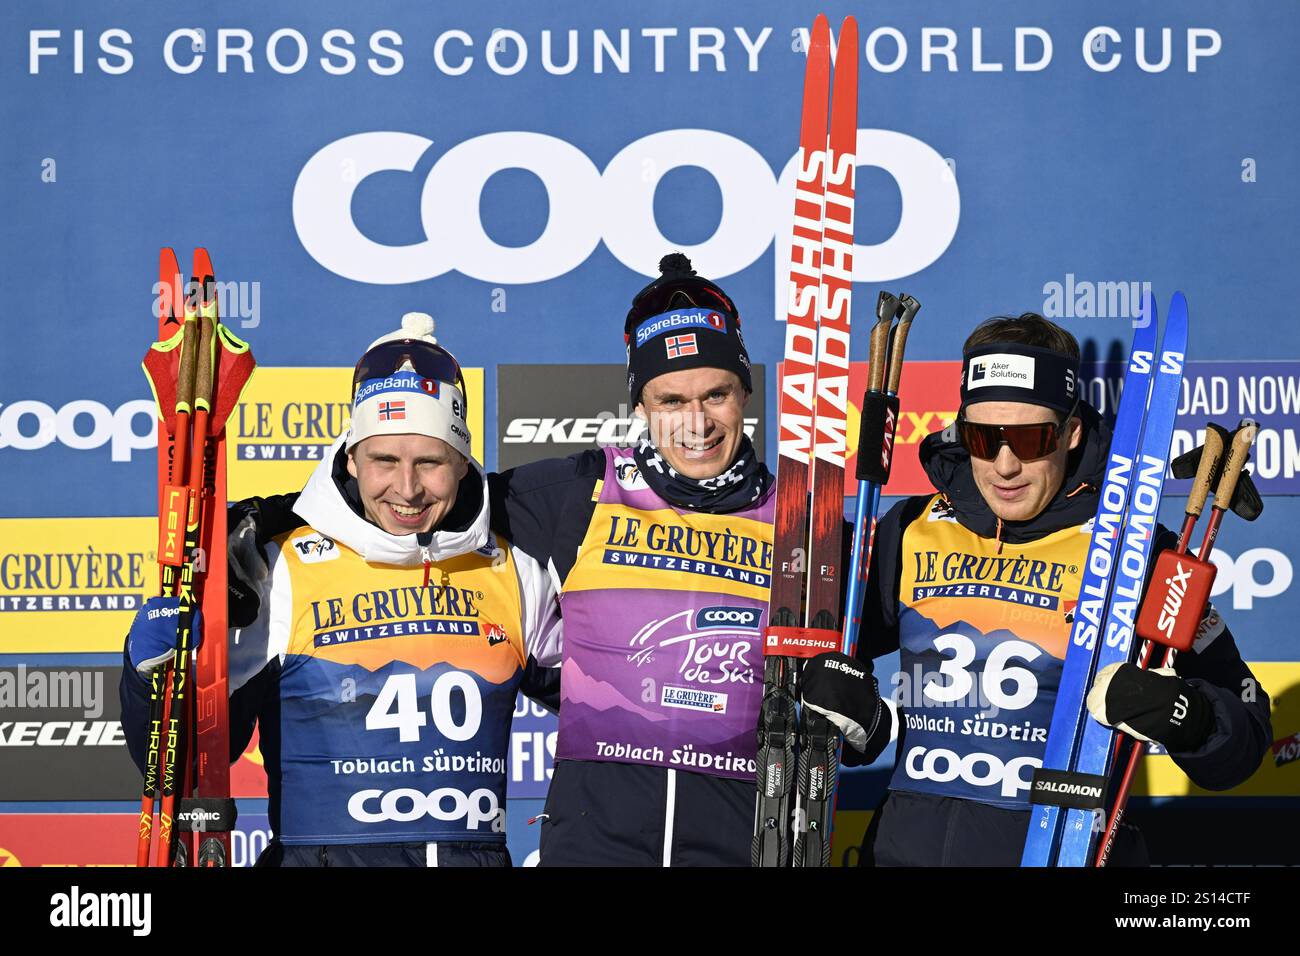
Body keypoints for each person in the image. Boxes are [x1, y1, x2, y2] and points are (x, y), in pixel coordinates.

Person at [121, 313, 561, 867]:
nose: (407, 488)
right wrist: (151, 679)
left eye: (431, 462)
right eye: (384, 460)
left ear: (464, 464)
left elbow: (605, 710)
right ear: (351, 458)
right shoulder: (274, 563)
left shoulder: (514, 563)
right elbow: (186, 763)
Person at [487, 254, 881, 866]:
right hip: (595, 848)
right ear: (640, 405)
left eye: (716, 394)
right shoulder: (579, 494)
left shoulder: (807, 529)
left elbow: (891, 643)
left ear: (745, 392)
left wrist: (873, 723)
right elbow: (422, 497)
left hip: (744, 844)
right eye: (670, 400)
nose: (696, 423)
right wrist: (283, 513)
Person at [850, 312, 1272, 866]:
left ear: (1070, 432)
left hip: (1063, 852)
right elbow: (822, 662)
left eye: (1030, 438)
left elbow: (1247, 731)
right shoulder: (911, 528)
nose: (1004, 465)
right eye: (983, 437)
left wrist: (1183, 714)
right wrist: (839, 702)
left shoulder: (1135, 551)